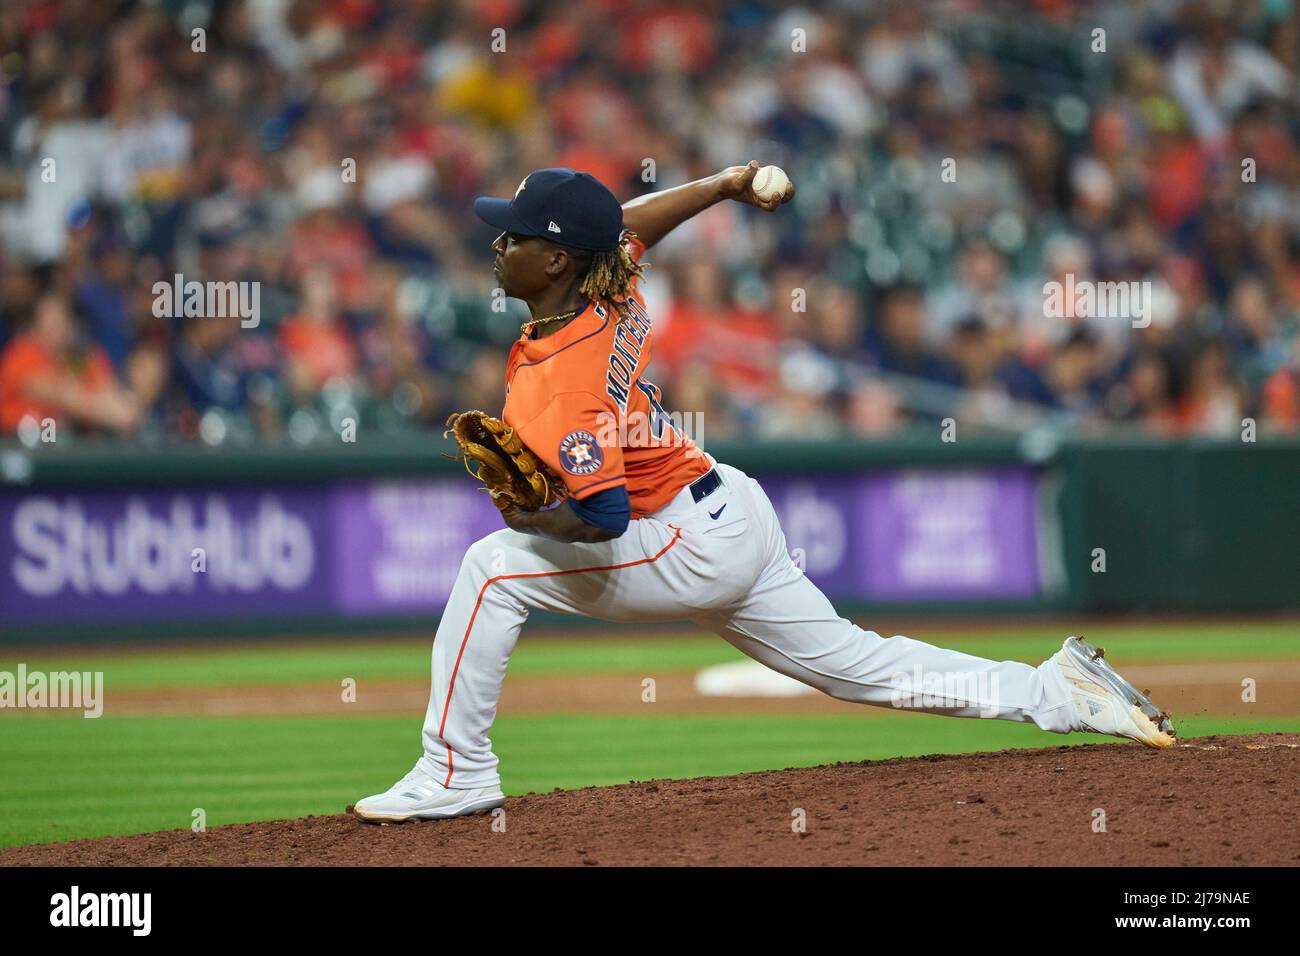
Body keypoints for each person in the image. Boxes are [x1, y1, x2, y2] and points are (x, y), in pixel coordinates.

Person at [353, 163, 1176, 823]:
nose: (499, 243)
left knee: (493, 568)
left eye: (517, 235)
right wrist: (724, 184)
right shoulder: (612, 291)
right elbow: (626, 227)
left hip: (678, 539)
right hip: (725, 507)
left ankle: (456, 771)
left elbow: (601, 519)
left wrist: (529, 514)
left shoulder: (564, 380)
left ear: (557, 260)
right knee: (857, 665)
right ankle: (1055, 690)